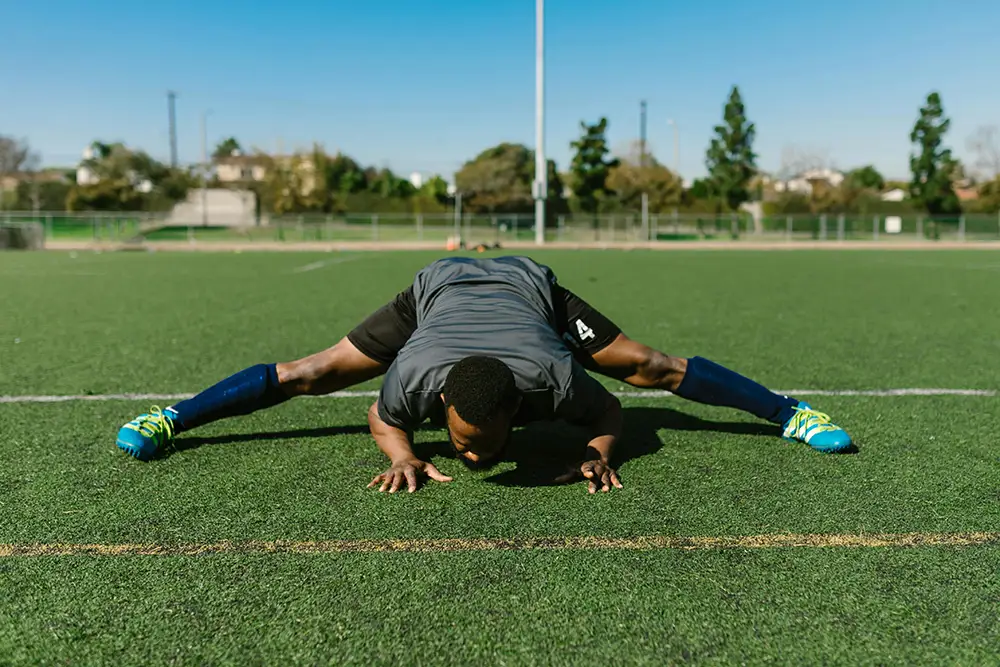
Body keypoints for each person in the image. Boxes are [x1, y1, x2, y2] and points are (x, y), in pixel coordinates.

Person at [117, 256, 852, 493]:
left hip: (531, 292)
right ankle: (170, 418)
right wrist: (402, 452)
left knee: (651, 367)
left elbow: (609, 413)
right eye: (465, 444)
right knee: (311, 372)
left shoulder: (558, 379)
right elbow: (383, 416)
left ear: (521, 412)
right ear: (441, 402)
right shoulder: (411, 378)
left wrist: (599, 449)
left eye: (483, 445)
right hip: (435, 293)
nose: (471, 457)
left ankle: (791, 412)